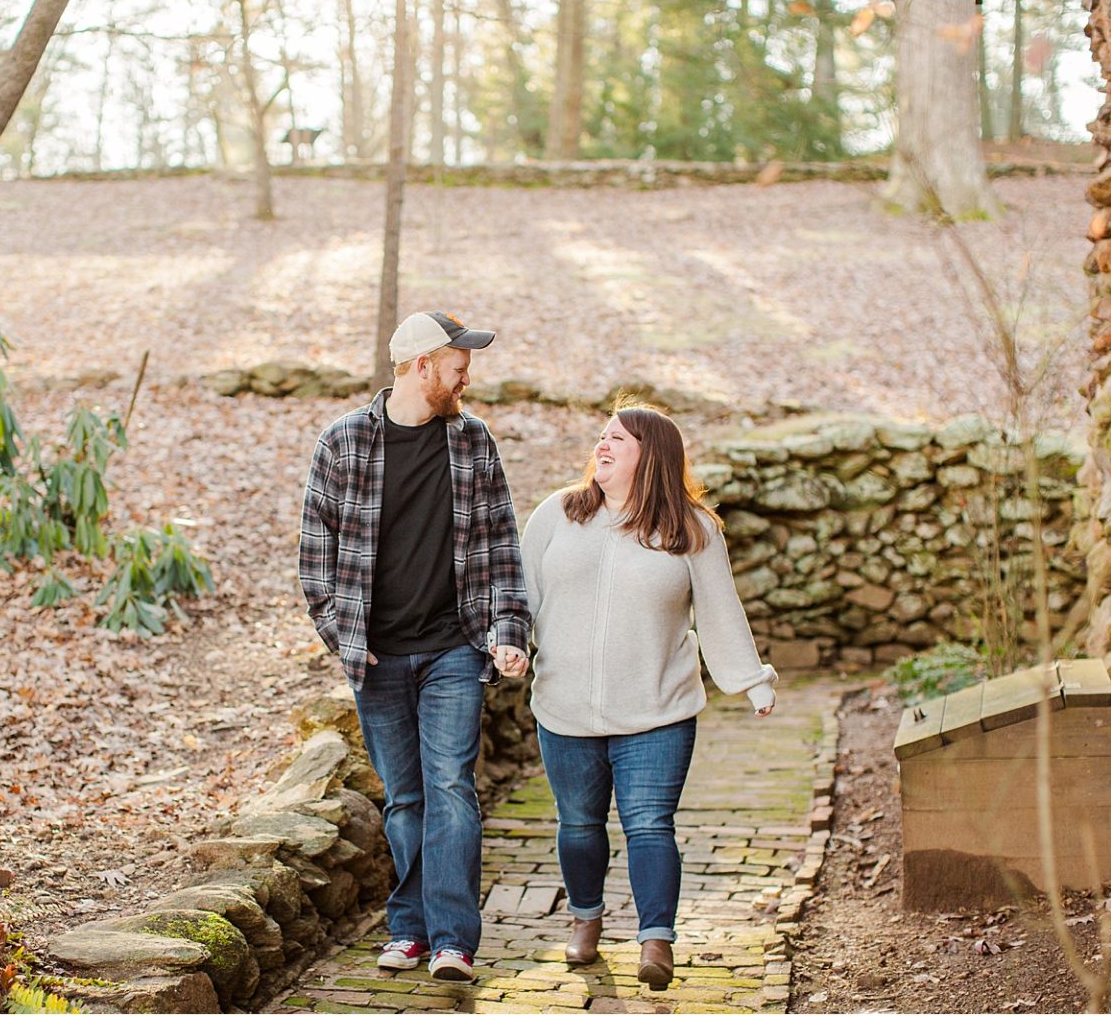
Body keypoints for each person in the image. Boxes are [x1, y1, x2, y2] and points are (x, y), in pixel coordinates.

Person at [299, 311, 531, 983]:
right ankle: (409, 928)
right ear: (423, 365)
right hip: (377, 657)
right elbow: (315, 559)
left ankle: (453, 940)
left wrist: (507, 632)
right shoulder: (344, 443)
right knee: (404, 799)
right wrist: (344, 638)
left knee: (451, 787)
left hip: (454, 648)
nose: (467, 378)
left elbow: (502, 549)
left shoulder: (473, 441)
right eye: (458, 366)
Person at [519, 403, 778, 990]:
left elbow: (720, 612)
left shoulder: (693, 529)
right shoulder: (557, 514)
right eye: (601, 436)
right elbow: (521, 599)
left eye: (617, 438)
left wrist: (751, 680)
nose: (602, 445)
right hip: (564, 708)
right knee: (578, 825)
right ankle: (586, 920)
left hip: (659, 711)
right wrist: (506, 644)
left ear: (651, 454)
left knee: (651, 825)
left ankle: (655, 940)